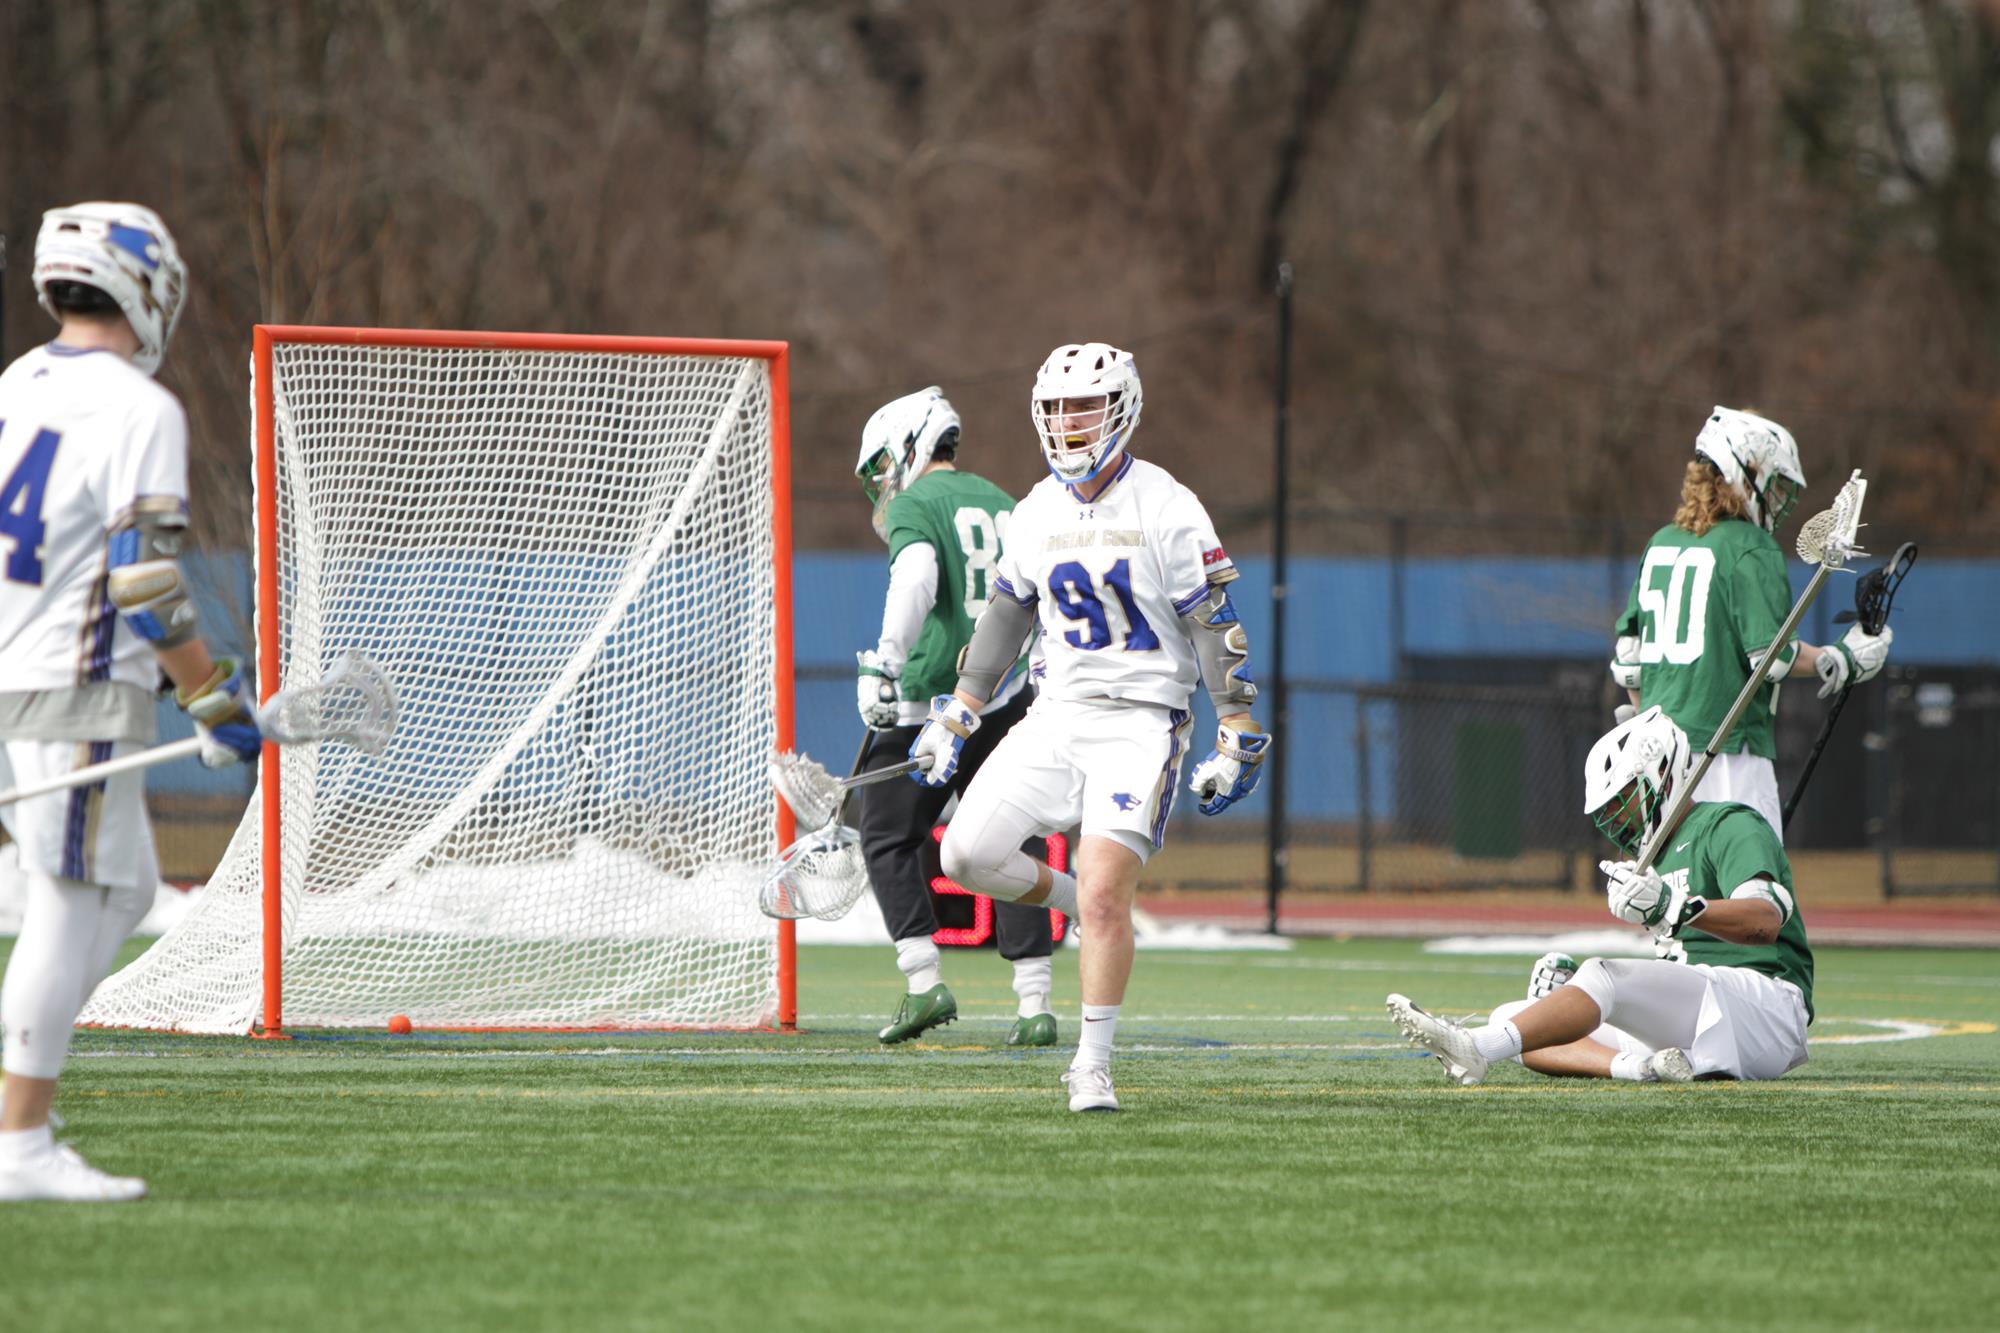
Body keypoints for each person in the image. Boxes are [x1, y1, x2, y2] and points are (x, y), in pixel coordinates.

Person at [907, 343, 1272, 1112]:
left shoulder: (1166, 503)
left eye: (1085, 405)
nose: (1070, 422)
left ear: (1123, 408)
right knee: (968, 854)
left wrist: (1235, 726)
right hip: (1055, 715)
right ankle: (1077, 900)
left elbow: (1213, 620)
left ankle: (1092, 1063)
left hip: (1140, 721)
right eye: (1057, 408)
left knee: (1111, 894)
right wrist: (958, 714)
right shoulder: (1036, 507)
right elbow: (1006, 615)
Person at [0, 203, 262, 1202]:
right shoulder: (138, 410)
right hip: (70, 687)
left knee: (118, 889)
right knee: (73, 903)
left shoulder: (20, 381)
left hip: (39, 671)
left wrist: (168, 681)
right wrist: (208, 692)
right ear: (147, 285)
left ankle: (25, 1114)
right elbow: (140, 578)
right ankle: (19, 1142)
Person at [1387, 706, 1812, 1085]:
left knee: (1605, 974)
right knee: (1514, 1018)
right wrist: (1570, 995)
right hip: (1698, 1018)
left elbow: (1763, 921)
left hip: (1764, 1008)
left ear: (1661, 774)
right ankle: (1640, 1069)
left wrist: (1674, 907)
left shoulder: (1729, 824)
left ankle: (1476, 1048)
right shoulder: (1657, 853)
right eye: (1610, 813)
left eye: (1625, 802)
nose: (1620, 822)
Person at [850, 386, 1059, 1047]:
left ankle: (923, 982)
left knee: (886, 835)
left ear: (914, 442)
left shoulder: (917, 503)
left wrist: (885, 663)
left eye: (887, 462)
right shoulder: (1003, 499)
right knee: (1009, 838)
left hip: (932, 700)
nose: (885, 481)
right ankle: (1035, 1003)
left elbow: (915, 575)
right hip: (1004, 690)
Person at [1609, 407, 1892, 837]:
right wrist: (1841, 658)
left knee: (1678, 896)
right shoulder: (1750, 547)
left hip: (1660, 764)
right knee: (1758, 897)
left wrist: (1645, 720)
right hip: (1729, 758)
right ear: (1740, 471)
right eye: (1773, 483)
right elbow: (1771, 659)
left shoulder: (1660, 543)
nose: (1777, 498)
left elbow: (1630, 663)